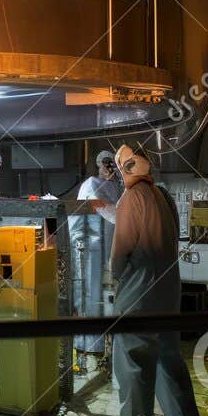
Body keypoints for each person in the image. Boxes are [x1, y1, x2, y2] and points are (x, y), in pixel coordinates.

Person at [104, 144, 201, 416]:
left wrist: (114, 277)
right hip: (168, 289)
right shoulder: (162, 195)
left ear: (125, 169)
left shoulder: (133, 198)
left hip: (139, 290)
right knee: (169, 359)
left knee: (133, 361)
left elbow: (121, 249)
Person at [69, 150, 122, 367]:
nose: (108, 169)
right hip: (88, 249)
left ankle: (102, 342)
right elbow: (103, 209)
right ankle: (88, 344)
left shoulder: (116, 187)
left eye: (112, 165)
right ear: (99, 165)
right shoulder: (91, 185)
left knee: (104, 296)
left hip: (107, 249)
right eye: (106, 164)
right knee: (89, 295)